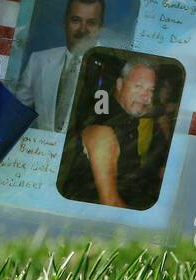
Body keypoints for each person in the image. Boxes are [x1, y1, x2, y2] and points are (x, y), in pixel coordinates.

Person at [60, 60, 161, 210]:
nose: (145, 96)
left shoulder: (125, 112)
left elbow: (151, 109)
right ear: (119, 84)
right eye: (138, 86)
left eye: (150, 90)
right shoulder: (104, 132)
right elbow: (111, 204)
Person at [12, 0, 105, 132]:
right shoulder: (38, 60)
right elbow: (16, 114)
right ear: (65, 21)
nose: (82, 29)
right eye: (76, 20)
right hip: (39, 150)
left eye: (91, 23)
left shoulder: (113, 69)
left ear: (100, 27)